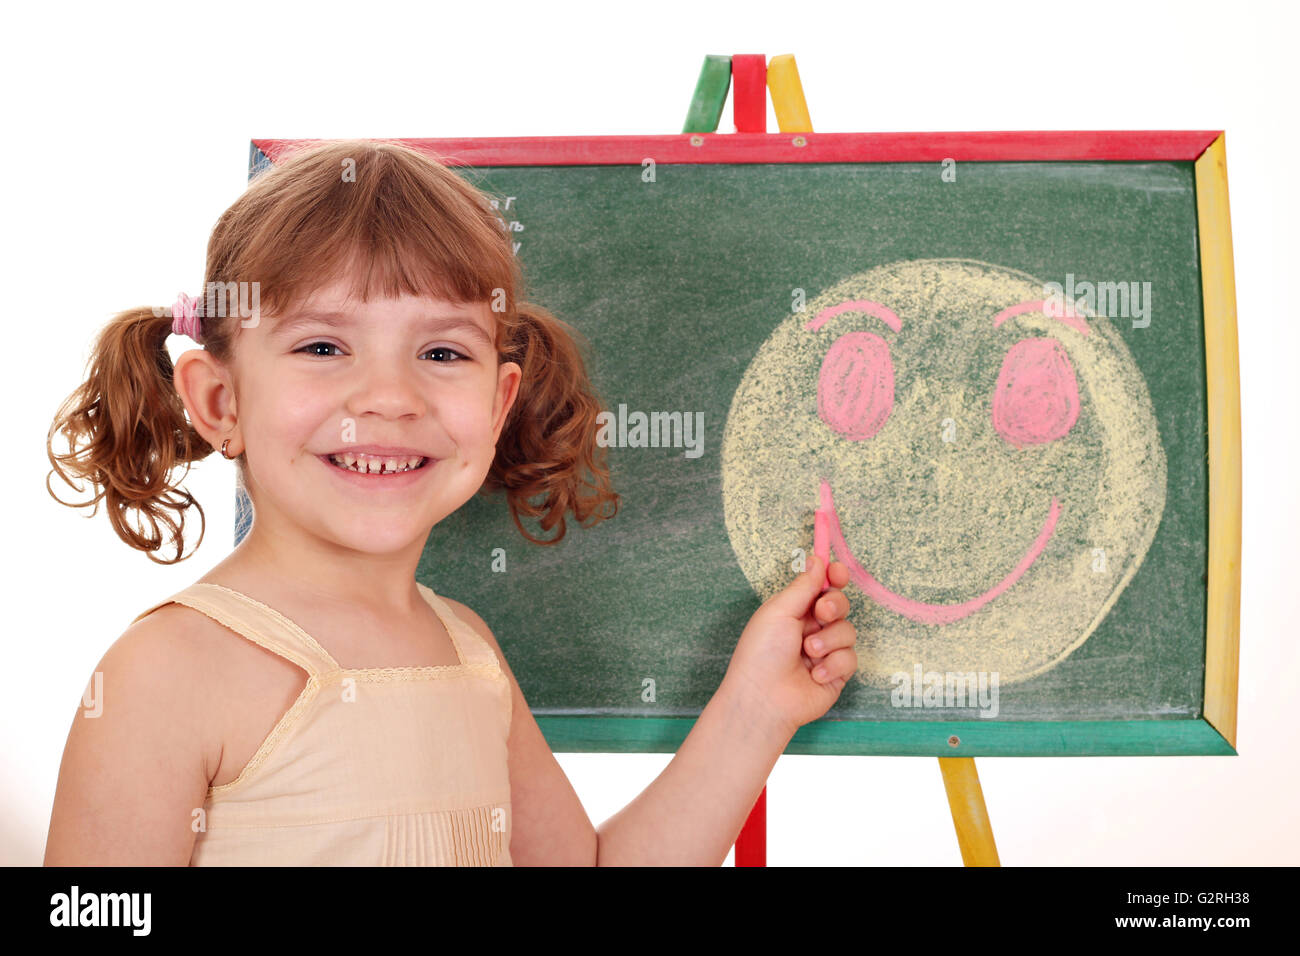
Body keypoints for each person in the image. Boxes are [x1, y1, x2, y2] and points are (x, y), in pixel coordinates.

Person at [42, 139, 856, 866]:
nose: (391, 396)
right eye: (323, 346)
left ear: (499, 405)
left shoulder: (469, 652)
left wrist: (757, 705)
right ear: (219, 401)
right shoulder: (167, 674)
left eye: (441, 350)